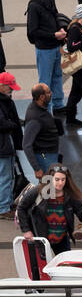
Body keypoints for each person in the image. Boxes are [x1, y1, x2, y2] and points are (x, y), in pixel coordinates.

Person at [16, 162, 82, 256]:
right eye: (57, 180)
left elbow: (80, 210)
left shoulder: (69, 194)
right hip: (42, 239)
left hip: (62, 238)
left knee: (64, 265)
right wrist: (26, 230)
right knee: (42, 267)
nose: (60, 183)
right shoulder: (38, 191)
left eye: (63, 179)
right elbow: (21, 207)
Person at [27, 0, 66, 115]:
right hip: (44, 49)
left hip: (55, 45)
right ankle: (45, 109)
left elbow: (55, 16)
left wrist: (60, 29)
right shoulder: (33, 6)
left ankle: (58, 105)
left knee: (57, 75)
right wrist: (53, 35)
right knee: (45, 80)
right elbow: (33, 31)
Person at [21, 83, 61, 178]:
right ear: (42, 97)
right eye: (48, 92)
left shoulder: (39, 108)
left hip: (49, 154)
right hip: (45, 157)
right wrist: (37, 168)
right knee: (49, 187)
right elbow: (26, 145)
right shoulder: (35, 118)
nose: (51, 93)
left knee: (52, 186)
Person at [0, 72, 22, 217]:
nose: (12, 90)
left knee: (8, 175)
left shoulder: (5, 100)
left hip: (5, 143)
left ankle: (6, 202)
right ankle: (3, 208)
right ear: (1, 85)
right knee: (5, 176)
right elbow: (2, 123)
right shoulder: (3, 102)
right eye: (10, 87)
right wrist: (14, 124)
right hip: (3, 145)